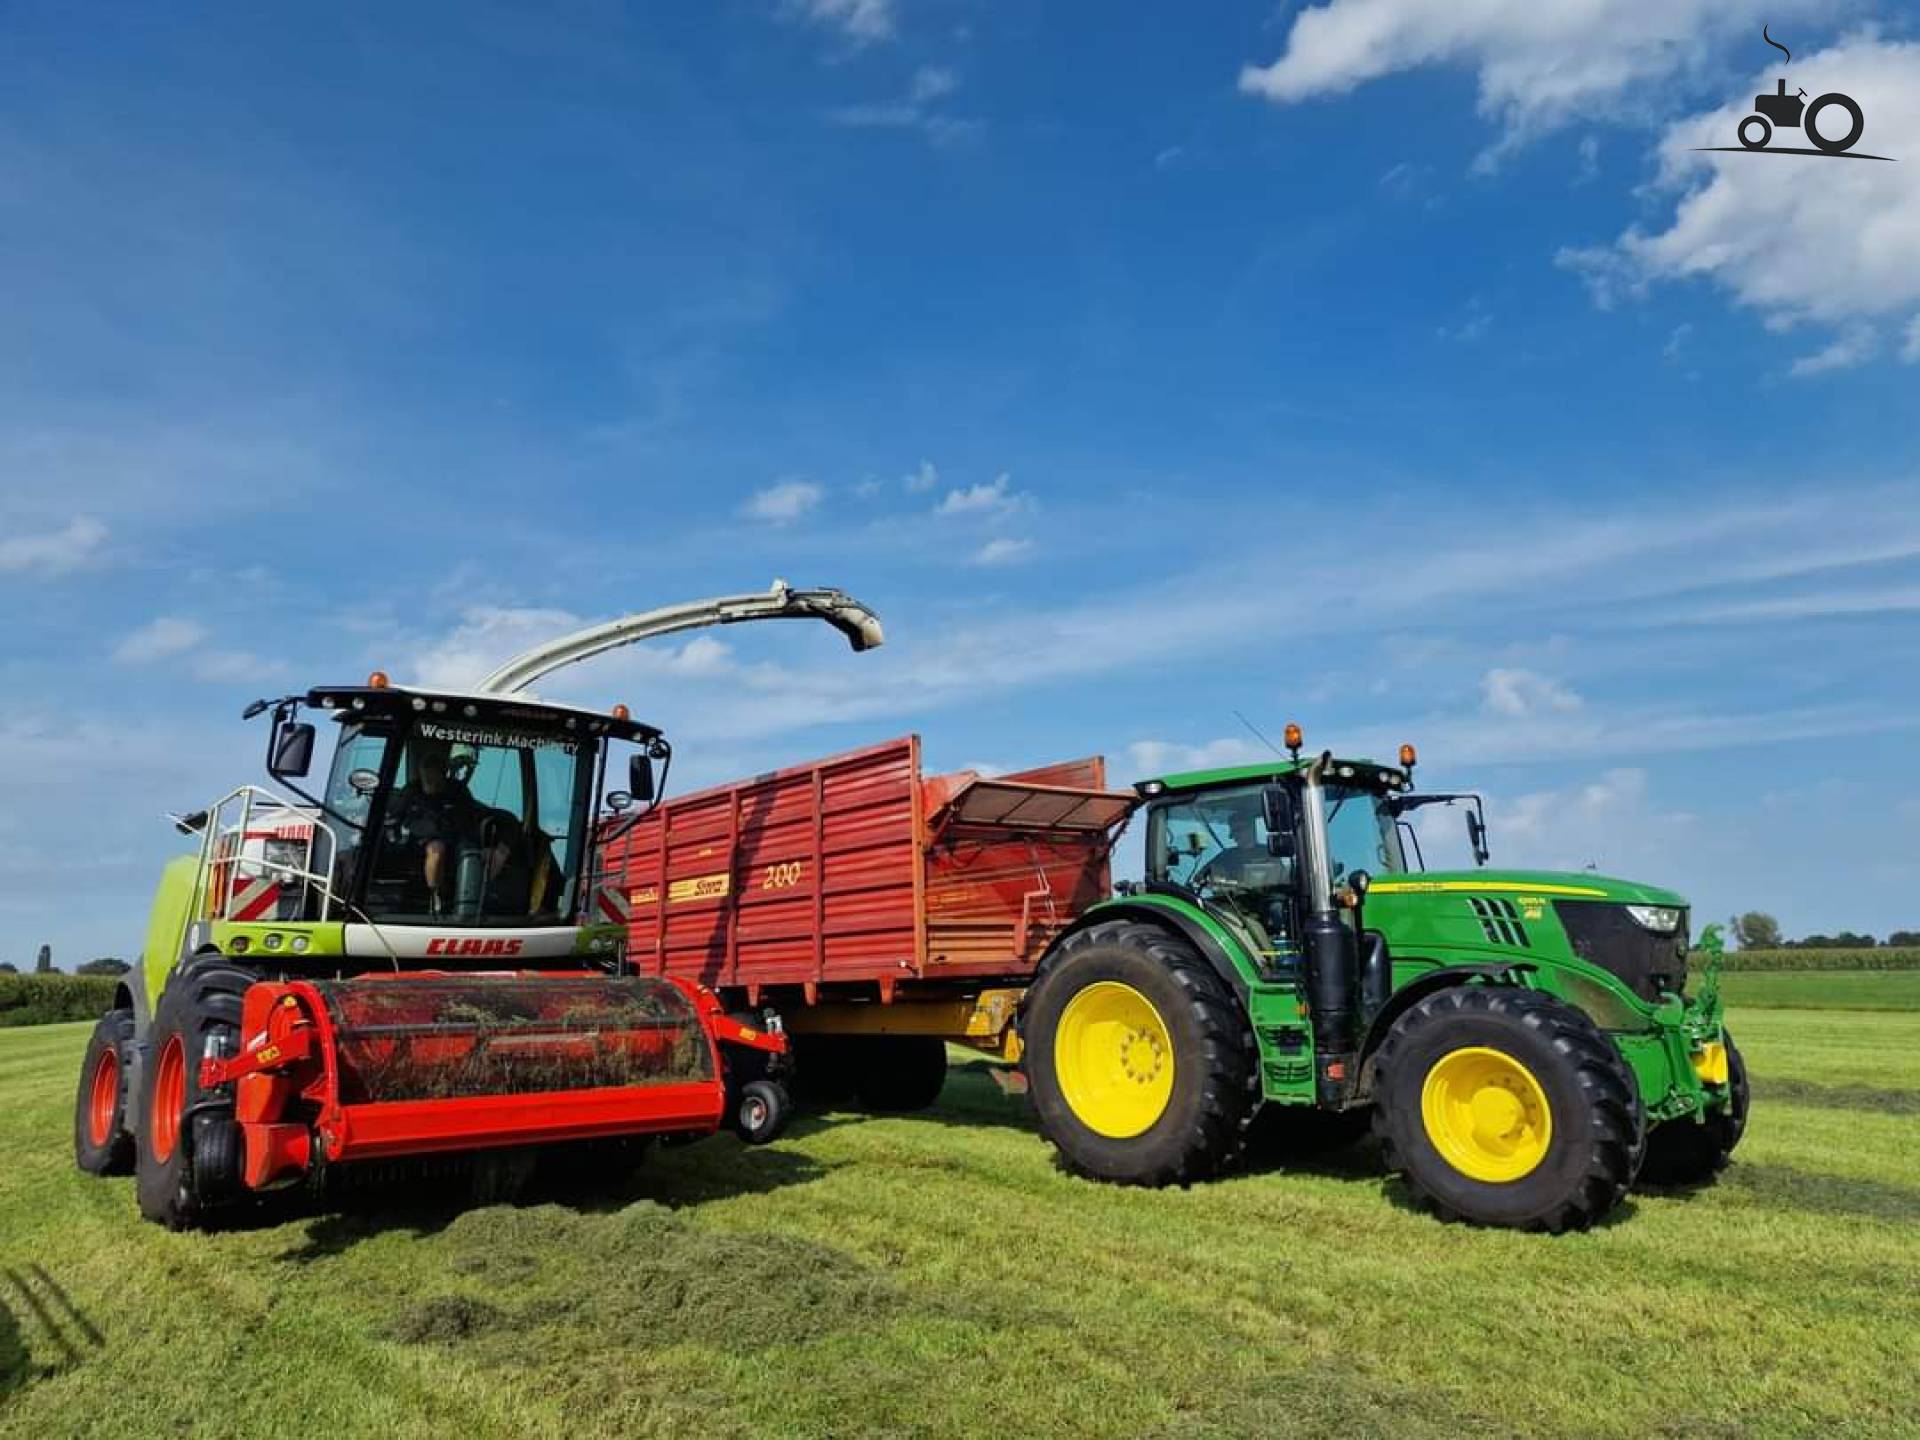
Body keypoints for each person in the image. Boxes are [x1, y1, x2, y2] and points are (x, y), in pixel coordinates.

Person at [386, 739, 514, 914]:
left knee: (474, 852)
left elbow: (478, 817)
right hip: (419, 844)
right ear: (420, 773)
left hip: (458, 842)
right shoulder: (410, 793)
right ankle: (435, 898)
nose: (431, 780)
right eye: (427, 776)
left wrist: (499, 849)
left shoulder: (457, 792)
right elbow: (392, 819)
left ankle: (474, 903)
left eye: (435, 775)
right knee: (436, 850)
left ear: (444, 773)